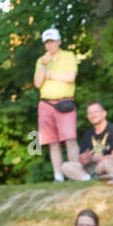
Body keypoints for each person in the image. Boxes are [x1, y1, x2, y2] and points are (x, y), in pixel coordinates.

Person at [34, 27, 79, 181]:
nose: (49, 45)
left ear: (59, 41)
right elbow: (37, 83)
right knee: (52, 142)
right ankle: (58, 176)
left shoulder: (68, 56)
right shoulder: (41, 60)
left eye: (52, 41)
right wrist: (43, 67)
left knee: (70, 139)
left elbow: (71, 77)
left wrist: (51, 75)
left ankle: (75, 172)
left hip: (65, 102)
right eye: (47, 42)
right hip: (46, 104)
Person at [63, 100, 113, 181]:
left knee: (105, 163)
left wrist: (94, 158)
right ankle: (87, 178)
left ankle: (85, 177)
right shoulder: (88, 133)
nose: (92, 115)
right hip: (92, 168)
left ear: (104, 113)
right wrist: (84, 159)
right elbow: (84, 157)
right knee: (66, 166)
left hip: (108, 165)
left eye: (95, 112)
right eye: (90, 113)